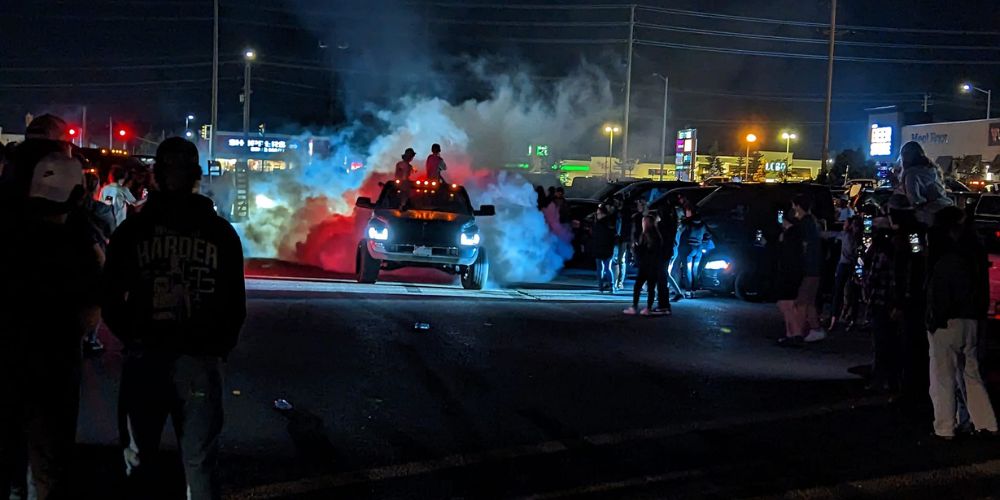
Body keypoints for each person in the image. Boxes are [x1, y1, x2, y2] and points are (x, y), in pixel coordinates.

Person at [102, 137, 246, 499]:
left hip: (147, 357)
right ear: (197, 175)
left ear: (154, 174)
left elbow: (110, 296)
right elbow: (234, 304)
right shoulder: (221, 234)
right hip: (198, 360)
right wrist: (216, 348)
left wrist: (132, 337)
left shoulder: (133, 231)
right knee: (199, 463)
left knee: (138, 461)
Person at [0, 150, 101, 500]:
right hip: (53, 371)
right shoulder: (78, 246)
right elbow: (90, 314)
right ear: (77, 195)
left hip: (6, 366)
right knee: (47, 470)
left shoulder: (7, 235)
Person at [925, 206, 997, 439]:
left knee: (943, 377)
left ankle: (945, 427)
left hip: (948, 322)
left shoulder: (945, 258)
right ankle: (986, 422)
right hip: (971, 320)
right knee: (971, 374)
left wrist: (934, 320)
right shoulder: (974, 254)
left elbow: (940, 294)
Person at [73, 170, 117, 355]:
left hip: (76, 255)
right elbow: (112, 230)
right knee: (95, 298)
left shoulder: (73, 210)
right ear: (96, 187)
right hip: (99, 254)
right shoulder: (103, 209)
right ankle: (91, 338)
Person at [792, 194, 827, 342]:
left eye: (794, 206)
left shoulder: (805, 223)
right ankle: (815, 329)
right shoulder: (813, 222)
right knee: (809, 301)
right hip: (815, 267)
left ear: (798, 206)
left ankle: (798, 333)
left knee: (801, 302)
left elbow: (804, 246)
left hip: (808, 268)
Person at [899, 141, 953, 226]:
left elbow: (915, 198)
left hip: (930, 215)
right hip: (946, 208)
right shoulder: (933, 169)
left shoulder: (912, 174)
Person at [624, 215, 663, 316]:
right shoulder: (657, 235)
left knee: (638, 286)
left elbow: (645, 251)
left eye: (644, 222)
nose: (642, 224)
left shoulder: (646, 235)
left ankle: (634, 307)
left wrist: (636, 248)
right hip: (653, 265)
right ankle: (648, 308)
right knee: (650, 288)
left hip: (646, 265)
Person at [776, 214, 806, 345]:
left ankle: (795, 333)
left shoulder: (789, 235)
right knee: (789, 304)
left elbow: (785, 254)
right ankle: (792, 334)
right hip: (796, 272)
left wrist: (779, 243)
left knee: (785, 304)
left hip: (788, 272)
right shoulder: (797, 234)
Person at [830, 216, 863, 330]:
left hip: (848, 265)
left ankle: (842, 319)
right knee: (848, 292)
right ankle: (844, 318)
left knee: (849, 293)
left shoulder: (849, 236)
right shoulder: (851, 236)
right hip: (851, 265)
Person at [653, 209, 677, 315]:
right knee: (663, 279)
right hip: (667, 254)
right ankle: (664, 305)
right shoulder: (671, 226)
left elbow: (658, 241)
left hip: (661, 254)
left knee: (661, 280)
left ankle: (663, 306)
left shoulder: (661, 227)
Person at [591, 204, 618, 293]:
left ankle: (600, 286)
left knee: (600, 268)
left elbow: (595, 236)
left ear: (603, 214)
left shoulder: (598, 224)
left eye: (598, 213)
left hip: (600, 248)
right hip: (608, 248)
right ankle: (612, 286)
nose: (597, 215)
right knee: (607, 268)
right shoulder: (610, 223)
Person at [613, 195, 632, 291]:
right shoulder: (616, 212)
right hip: (617, 237)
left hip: (623, 238)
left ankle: (619, 282)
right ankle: (615, 281)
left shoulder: (626, 212)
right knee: (616, 259)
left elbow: (628, 226)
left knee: (621, 260)